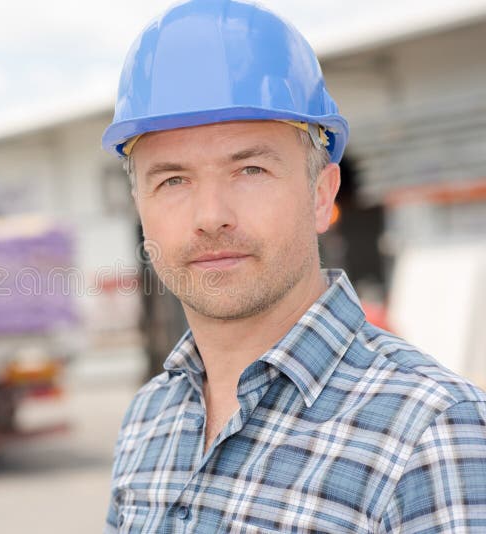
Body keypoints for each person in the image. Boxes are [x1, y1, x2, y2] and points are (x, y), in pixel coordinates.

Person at [101, 1, 486, 532]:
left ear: (322, 195)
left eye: (250, 170)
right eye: (172, 180)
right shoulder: (148, 419)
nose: (210, 217)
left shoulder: (431, 433)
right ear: (141, 210)